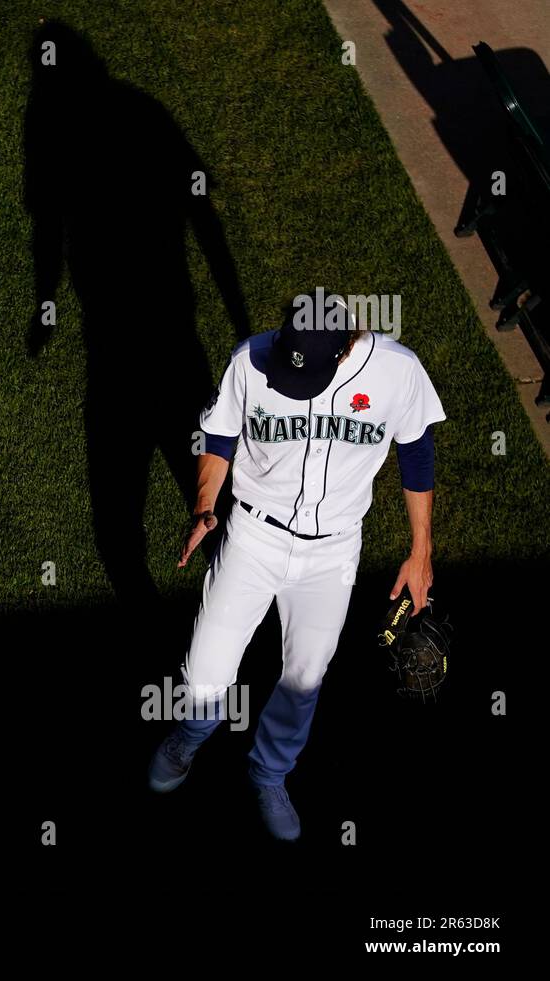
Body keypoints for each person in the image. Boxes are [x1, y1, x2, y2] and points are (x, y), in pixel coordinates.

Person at [148, 292, 445, 840]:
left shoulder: (398, 371)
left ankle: (269, 773)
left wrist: (420, 551)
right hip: (253, 536)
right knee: (206, 668)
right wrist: (205, 505)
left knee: (305, 677)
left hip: (333, 553)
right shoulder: (251, 359)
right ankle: (189, 736)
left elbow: (416, 449)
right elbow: (220, 434)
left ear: (344, 350)